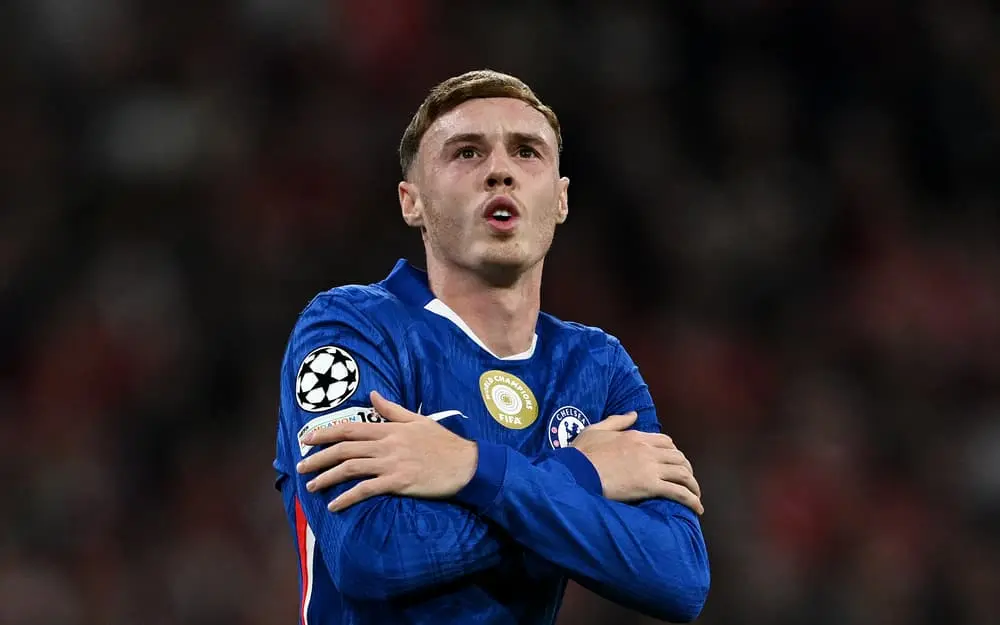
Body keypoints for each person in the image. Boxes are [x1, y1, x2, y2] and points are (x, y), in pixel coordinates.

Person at [273, 69, 710, 624]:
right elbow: (372, 554)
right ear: (412, 202)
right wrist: (579, 476)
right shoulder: (352, 329)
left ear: (560, 199)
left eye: (526, 152)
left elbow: (678, 574)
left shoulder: (597, 366)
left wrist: (468, 467)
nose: (500, 171)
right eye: (466, 153)